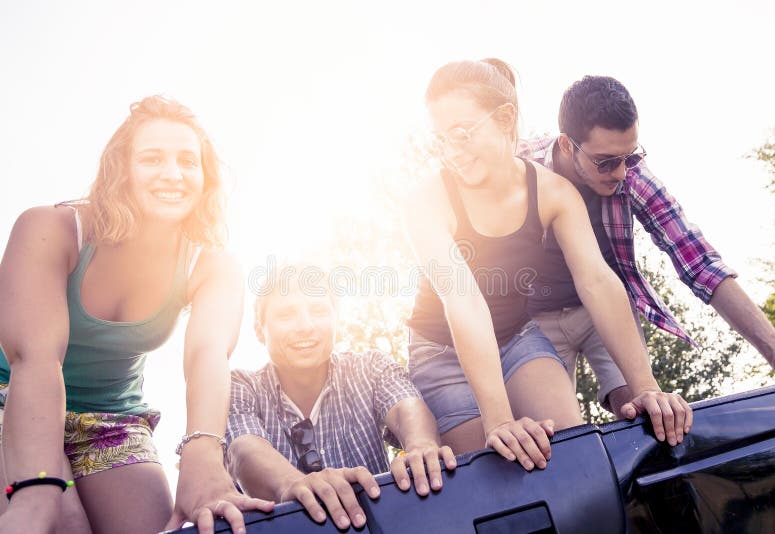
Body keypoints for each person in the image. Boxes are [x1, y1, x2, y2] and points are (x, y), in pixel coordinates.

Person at [0, 96, 272, 534]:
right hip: (13, 397)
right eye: (152, 158)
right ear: (121, 169)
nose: (172, 174)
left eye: (188, 161)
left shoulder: (213, 265)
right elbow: (34, 358)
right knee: (59, 521)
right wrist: (37, 490)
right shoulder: (49, 229)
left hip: (112, 419)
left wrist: (202, 458)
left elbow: (207, 355)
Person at [403, 58, 692, 472]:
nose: (452, 153)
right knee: (496, 471)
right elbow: (462, 300)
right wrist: (499, 419)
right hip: (442, 351)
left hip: (517, 338)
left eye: (462, 134)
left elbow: (597, 281)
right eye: (441, 140)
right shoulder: (426, 201)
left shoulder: (553, 193)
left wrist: (646, 387)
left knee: (569, 457)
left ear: (505, 118)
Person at [516, 75, 775, 416]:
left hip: (604, 308)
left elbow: (698, 261)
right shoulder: (518, 170)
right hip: (534, 317)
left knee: (640, 410)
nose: (620, 172)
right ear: (566, 145)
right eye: (606, 161)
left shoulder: (633, 175)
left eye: (629, 156)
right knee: (555, 432)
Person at [225, 263, 456, 531]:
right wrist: (292, 483)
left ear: (336, 319)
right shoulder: (240, 386)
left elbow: (407, 406)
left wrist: (421, 444)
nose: (305, 326)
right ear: (258, 329)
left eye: (319, 310)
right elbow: (243, 450)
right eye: (286, 315)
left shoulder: (370, 367)